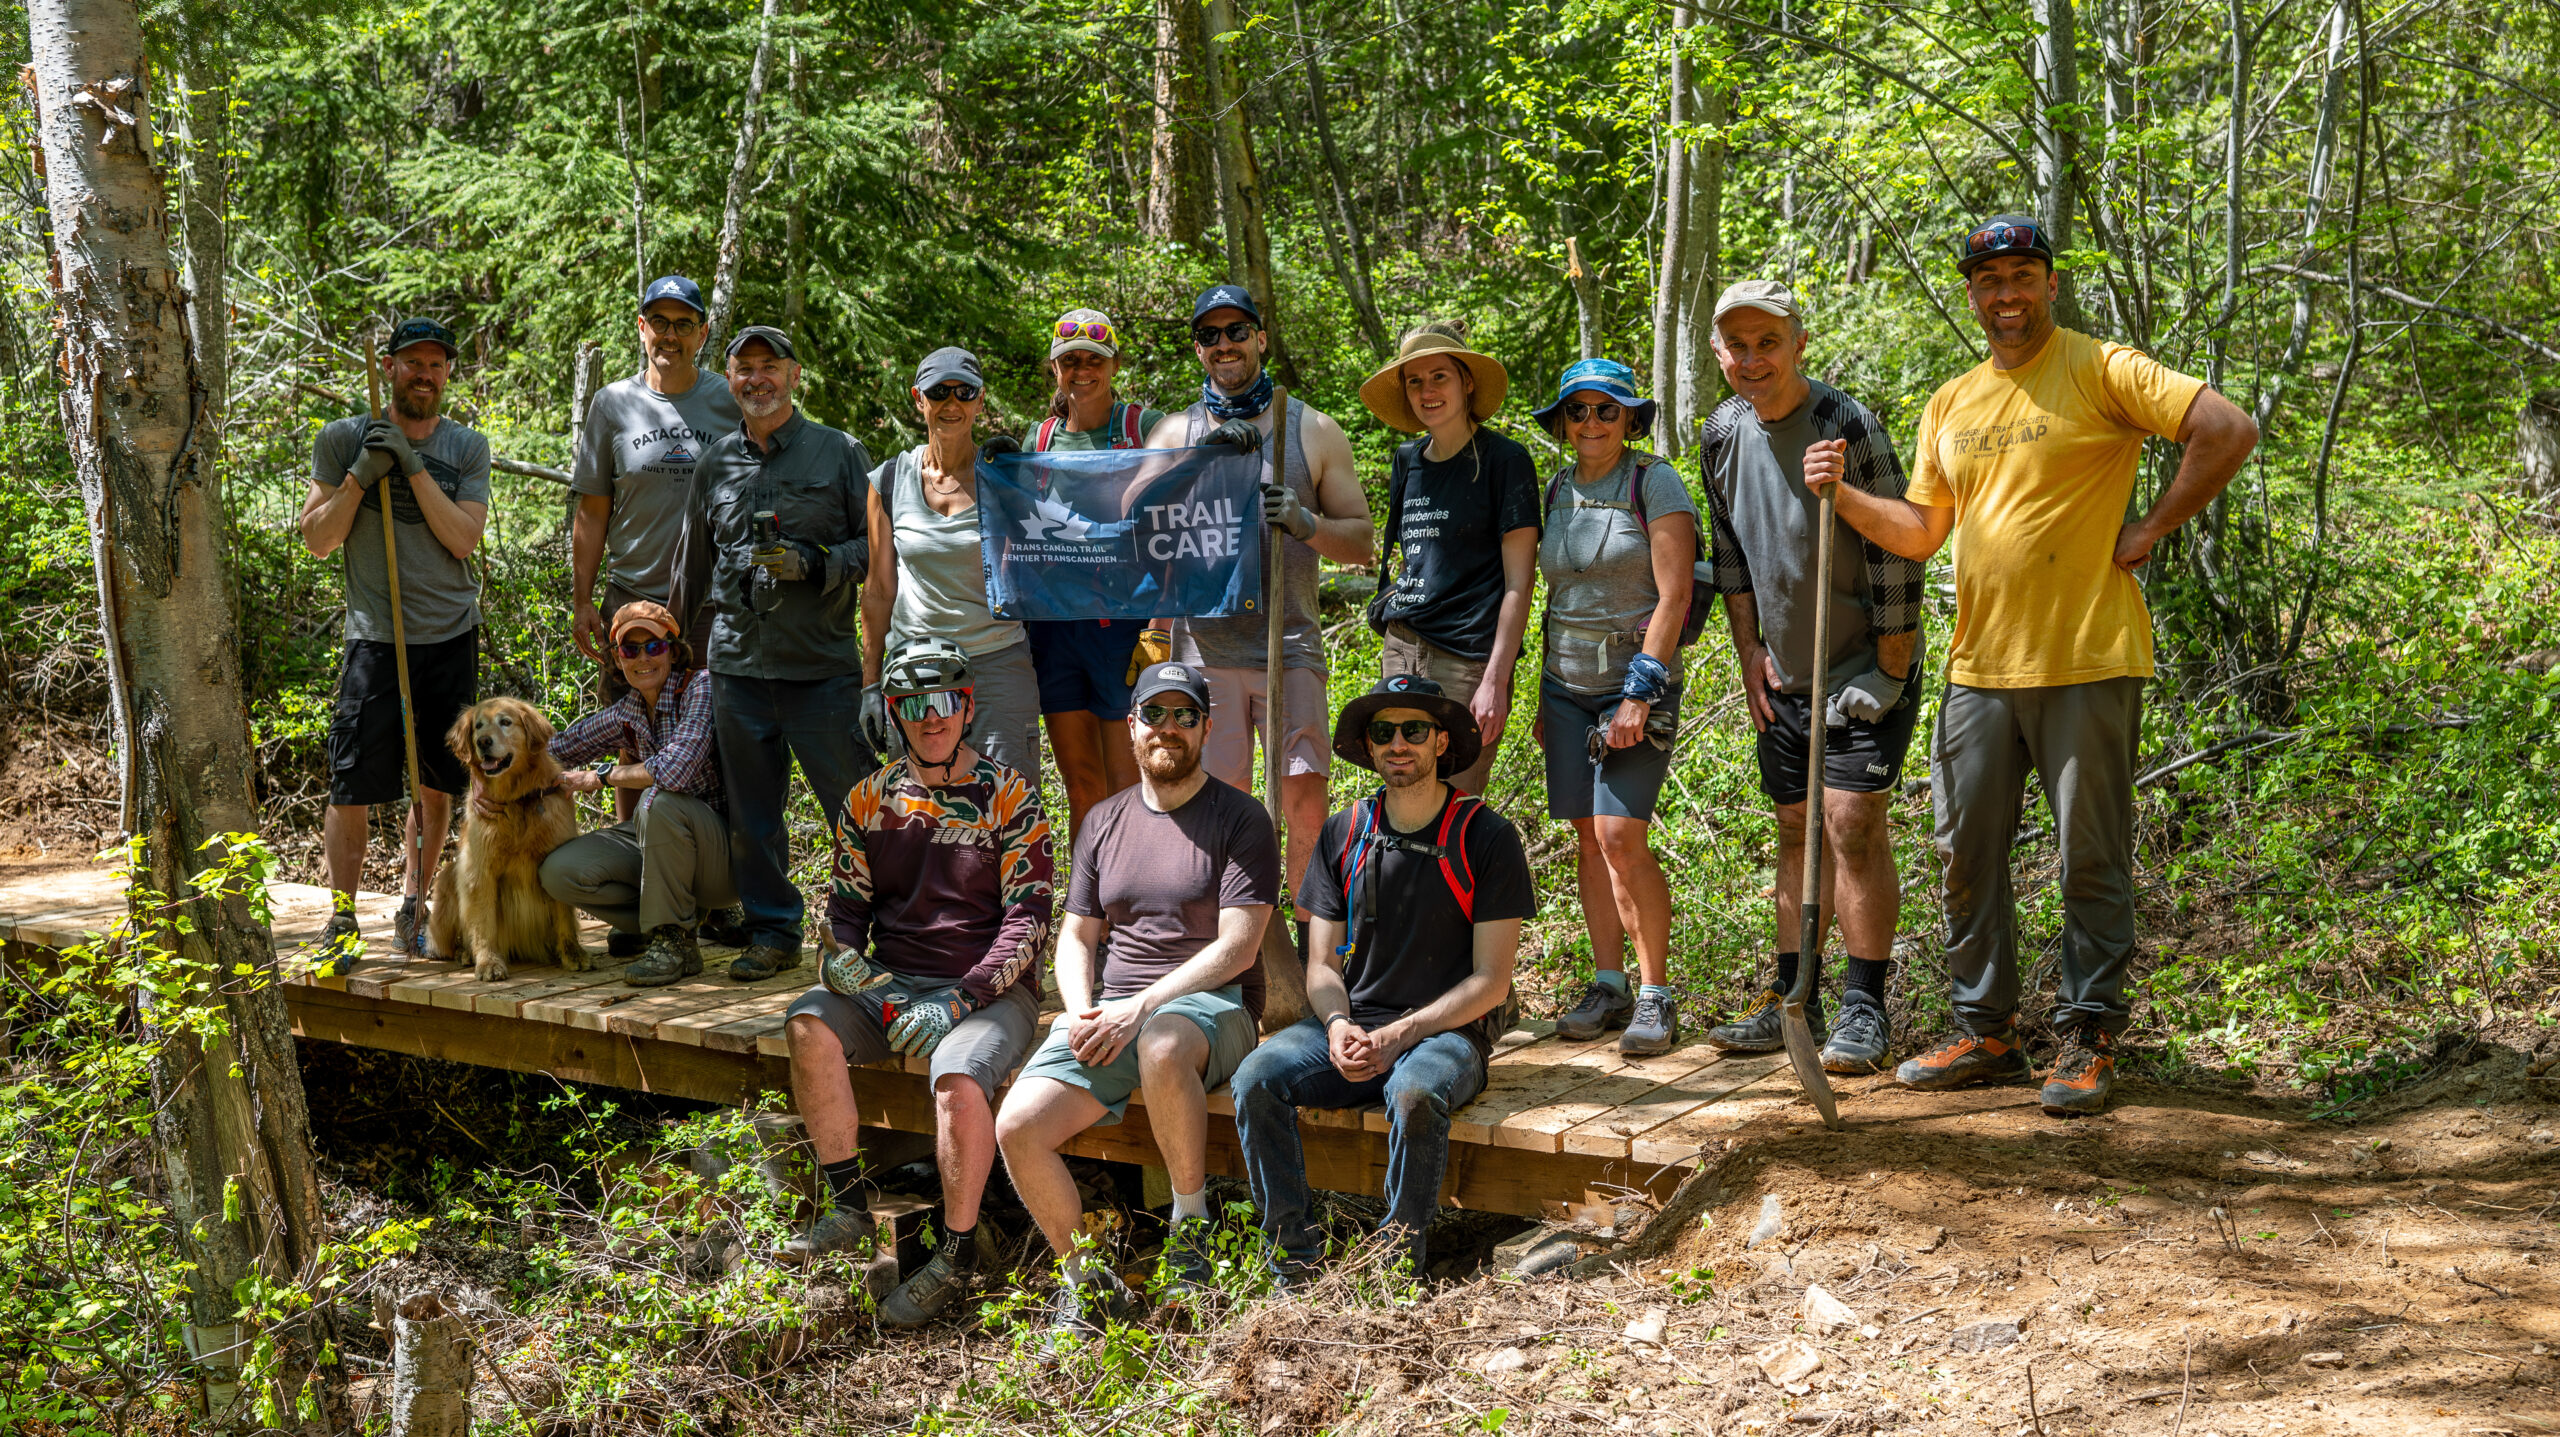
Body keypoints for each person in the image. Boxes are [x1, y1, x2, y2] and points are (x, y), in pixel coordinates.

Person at [1810, 216, 2257, 1116]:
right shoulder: (1954, 401)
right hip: (1980, 667)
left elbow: (2226, 427)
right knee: (1963, 849)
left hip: (2089, 655)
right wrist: (1843, 493)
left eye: (2021, 276)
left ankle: (2088, 1034)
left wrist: (2153, 526)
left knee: (2087, 854)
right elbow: (1923, 532)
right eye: (1988, 281)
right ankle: (1988, 1031)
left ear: (2050, 284)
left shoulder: (2103, 369)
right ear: (1972, 294)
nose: (2005, 295)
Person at [994, 661, 1280, 1341]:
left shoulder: (1241, 818)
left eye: (1185, 715)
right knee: (1017, 1126)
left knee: (1161, 1042)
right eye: (1155, 713)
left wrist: (1141, 1006)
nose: (1169, 728)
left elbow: (1238, 948)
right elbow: (1076, 935)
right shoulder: (1103, 820)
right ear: (1132, 727)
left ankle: (1190, 1227)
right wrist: (1082, 1006)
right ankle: (1089, 1284)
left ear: (1207, 727)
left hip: (1213, 1009)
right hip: (1115, 1013)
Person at [779, 639, 1054, 1328]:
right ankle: (847, 1204)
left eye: (943, 704)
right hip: (896, 980)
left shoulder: (1010, 797)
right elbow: (840, 925)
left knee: (958, 1080)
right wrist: (876, 989)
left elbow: (1029, 925)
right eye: (912, 706)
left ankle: (955, 1257)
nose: (930, 719)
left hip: (989, 989)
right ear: (895, 713)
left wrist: (959, 997)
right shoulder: (867, 801)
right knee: (807, 1024)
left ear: (966, 707)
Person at [1694, 280, 1928, 1076]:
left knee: (1851, 823)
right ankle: (1795, 995)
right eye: (1738, 346)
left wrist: (1891, 667)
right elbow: (1730, 554)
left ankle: (1866, 1005)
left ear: (1798, 342)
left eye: (1769, 342)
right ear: (1720, 353)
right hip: (1785, 669)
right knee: (1796, 828)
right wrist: (1748, 650)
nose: (1753, 359)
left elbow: (1900, 543)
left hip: (1864, 663)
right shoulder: (1722, 431)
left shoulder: (1846, 424)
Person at [1232, 675, 1533, 1279]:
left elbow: (1492, 981)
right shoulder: (1345, 832)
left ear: (1441, 743)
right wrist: (1339, 1022)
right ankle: (1293, 1257)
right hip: (1355, 1025)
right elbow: (1321, 964)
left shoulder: (1486, 836)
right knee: (1257, 1076)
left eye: (1414, 731)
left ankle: (1398, 1269)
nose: (1399, 743)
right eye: (1383, 732)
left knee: (1415, 1092)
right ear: (1368, 747)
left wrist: (1401, 1034)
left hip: (1449, 1034)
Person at [1145, 283, 1372, 913]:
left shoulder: (1312, 429)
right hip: (1202, 648)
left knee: (1302, 794)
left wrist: (1307, 523)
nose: (1225, 345)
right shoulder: (1174, 432)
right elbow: (1132, 524)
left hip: (1288, 642)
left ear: (1261, 338)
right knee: (1219, 796)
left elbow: (1362, 543)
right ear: (1198, 350)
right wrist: (1192, 465)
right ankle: (1230, 936)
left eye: (1237, 331)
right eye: (1211, 336)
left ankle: (1304, 939)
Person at [665, 325, 874, 984]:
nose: (757, 379)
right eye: (744, 368)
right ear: (729, 380)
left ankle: (877, 931)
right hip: (738, 669)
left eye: (770, 367)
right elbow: (689, 567)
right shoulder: (715, 462)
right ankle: (774, 929)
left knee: (857, 807)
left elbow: (876, 551)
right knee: (752, 820)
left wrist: (814, 562)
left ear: (794, 374)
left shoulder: (839, 453)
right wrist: (669, 647)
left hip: (822, 668)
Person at [297, 318, 489, 966]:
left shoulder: (466, 447)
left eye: (436, 365)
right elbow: (319, 539)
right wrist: (359, 477)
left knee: (437, 785)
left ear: (447, 374)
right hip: (375, 638)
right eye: (413, 363)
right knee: (351, 782)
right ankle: (343, 918)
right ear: (388, 367)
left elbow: (463, 538)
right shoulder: (341, 438)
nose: (424, 375)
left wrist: (409, 467)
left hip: (447, 635)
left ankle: (414, 900)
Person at [1530, 358, 1698, 1057]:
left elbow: (1676, 593)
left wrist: (1640, 689)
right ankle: (1610, 983)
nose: (1592, 422)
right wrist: (1542, 693)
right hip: (1564, 686)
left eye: (1607, 409)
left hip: (1633, 685)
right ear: (1563, 422)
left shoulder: (1652, 481)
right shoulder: (1557, 487)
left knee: (1620, 835)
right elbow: (1557, 596)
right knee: (1584, 837)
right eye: (1578, 410)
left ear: (1630, 417)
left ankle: (1657, 994)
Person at [1355, 322, 1539, 796]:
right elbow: (1412, 561)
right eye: (1414, 381)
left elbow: (1520, 583)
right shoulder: (1406, 459)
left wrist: (1495, 681)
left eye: (1440, 377)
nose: (1427, 391)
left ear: (1467, 382)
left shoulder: (1504, 460)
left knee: (1455, 797)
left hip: (1465, 658)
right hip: (1401, 647)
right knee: (1402, 790)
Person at [858, 348, 1043, 786]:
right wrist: (870, 685)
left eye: (965, 392)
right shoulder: (889, 479)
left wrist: (1019, 480)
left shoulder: (1006, 476)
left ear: (981, 401)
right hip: (915, 670)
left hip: (996, 663)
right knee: (925, 817)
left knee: (1009, 805)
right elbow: (879, 589)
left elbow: (1048, 561)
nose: (951, 404)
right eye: (939, 392)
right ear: (918, 398)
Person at [535, 601, 736, 985]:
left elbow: (674, 772)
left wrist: (603, 776)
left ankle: (672, 941)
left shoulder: (700, 687)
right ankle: (675, 921)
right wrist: (489, 771)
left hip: (722, 860)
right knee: (559, 873)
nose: (642, 658)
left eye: (654, 647)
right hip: (665, 848)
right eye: (630, 649)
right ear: (618, 660)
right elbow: (558, 747)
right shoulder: (628, 710)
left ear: (673, 652)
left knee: (658, 801)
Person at [1021, 307, 1161, 839]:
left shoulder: (1141, 427)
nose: (1083, 370)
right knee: (1080, 784)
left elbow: (1187, 470)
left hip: (1123, 626)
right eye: (1070, 360)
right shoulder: (1040, 439)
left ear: (1114, 363)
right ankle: (1089, 908)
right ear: (1054, 369)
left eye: (1094, 360)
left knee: (1128, 782)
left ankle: (1134, 904)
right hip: (1056, 631)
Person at [570, 275, 741, 660]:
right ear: (642, 327)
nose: (670, 336)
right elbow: (593, 511)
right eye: (660, 322)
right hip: (631, 603)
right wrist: (583, 600)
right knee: (627, 719)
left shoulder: (730, 402)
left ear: (702, 334)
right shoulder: (611, 404)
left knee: (709, 720)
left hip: (712, 608)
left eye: (684, 325)